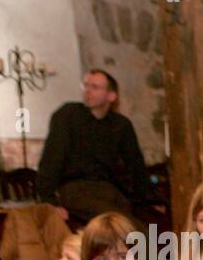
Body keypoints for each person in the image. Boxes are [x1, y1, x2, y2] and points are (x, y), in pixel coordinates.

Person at [36, 70, 158, 223]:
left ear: (111, 96)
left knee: (140, 222)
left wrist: (151, 198)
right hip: (75, 189)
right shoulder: (68, 115)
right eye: (86, 85)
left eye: (95, 87)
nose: (88, 90)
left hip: (108, 189)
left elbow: (135, 163)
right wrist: (49, 201)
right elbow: (51, 159)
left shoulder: (120, 125)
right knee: (121, 223)